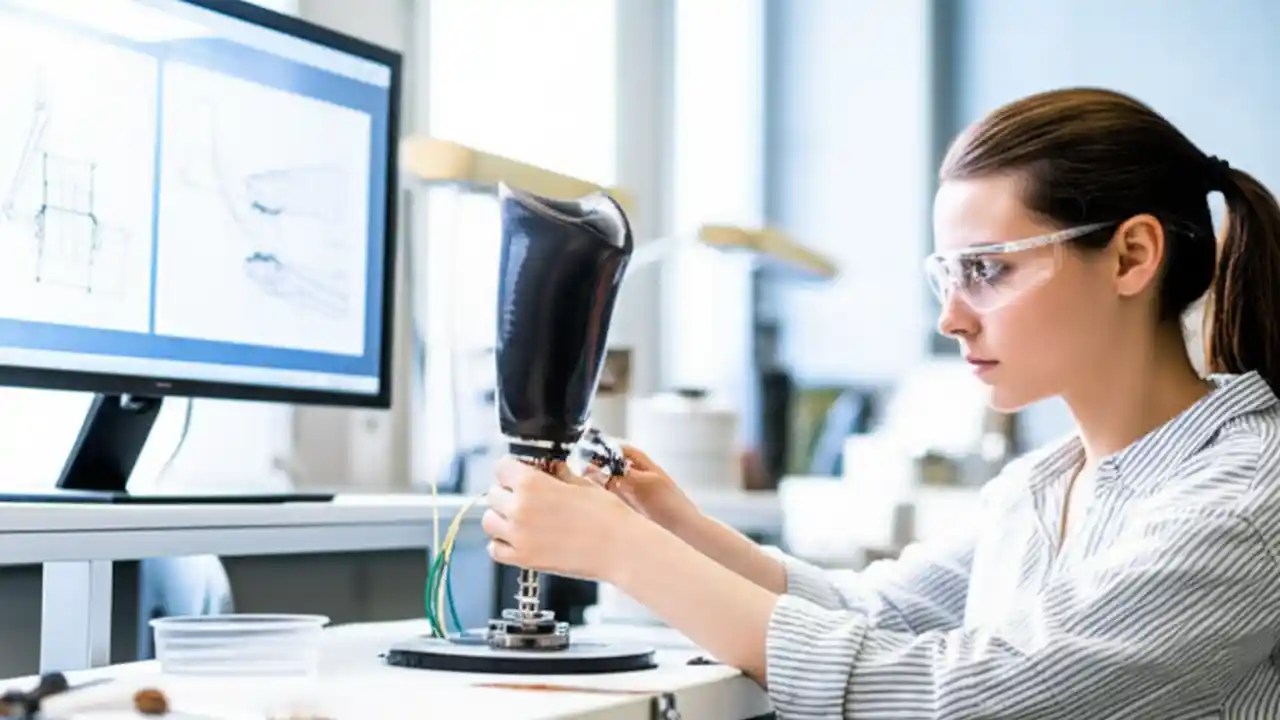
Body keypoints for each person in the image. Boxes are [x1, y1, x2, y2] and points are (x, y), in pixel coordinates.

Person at [480, 87, 1280, 718]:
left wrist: (624, 553)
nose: (950, 318)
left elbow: (960, 697)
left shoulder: (1245, 496)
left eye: (988, 270)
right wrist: (674, 524)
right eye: (947, 275)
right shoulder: (1041, 486)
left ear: (1130, 256)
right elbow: (879, 613)